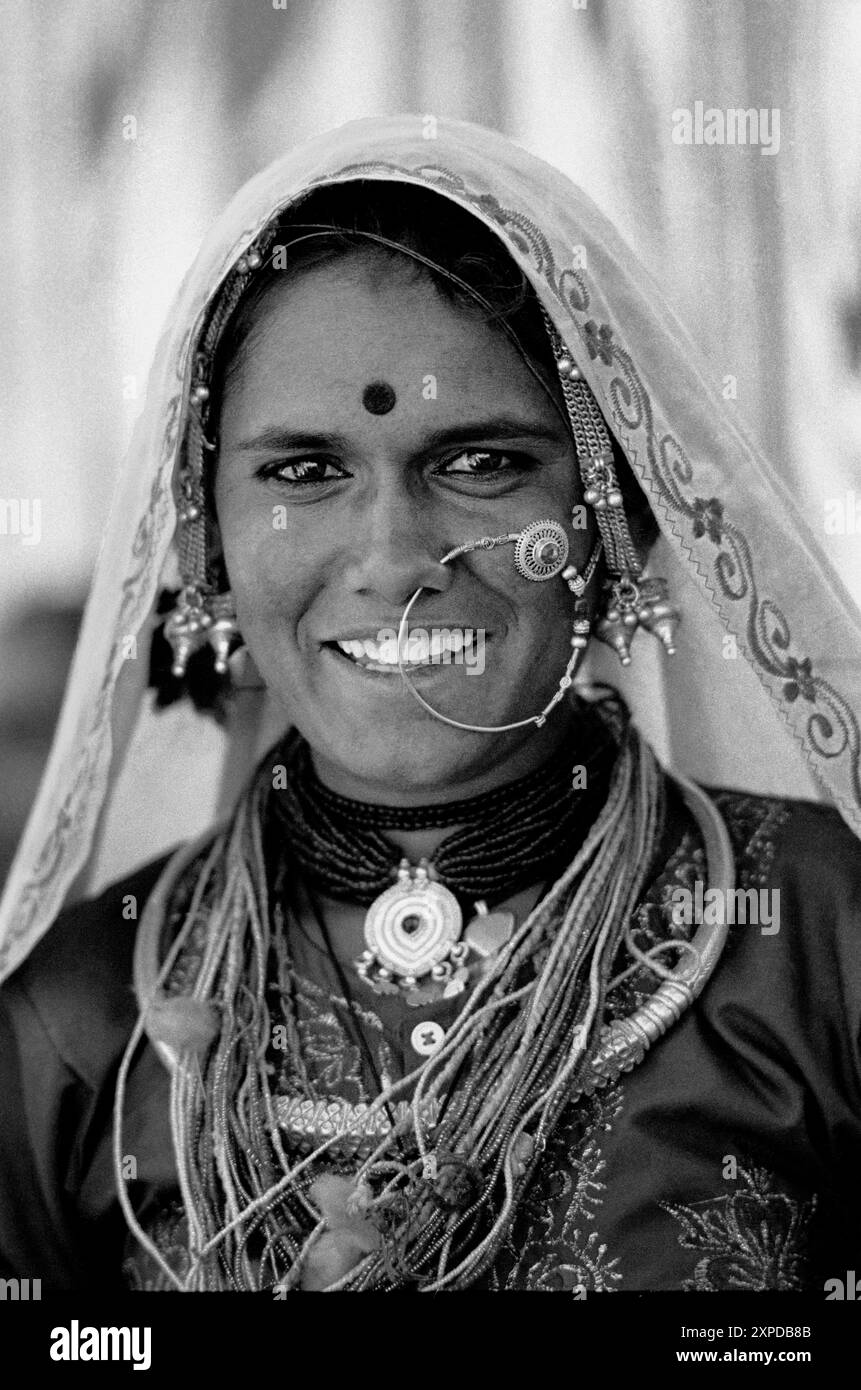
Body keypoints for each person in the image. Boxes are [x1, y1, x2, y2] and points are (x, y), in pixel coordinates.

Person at [1, 115, 859, 1294]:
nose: (396, 558)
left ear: (621, 520)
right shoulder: (76, 1017)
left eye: (482, 463)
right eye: (305, 471)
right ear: (204, 541)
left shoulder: (815, 938)